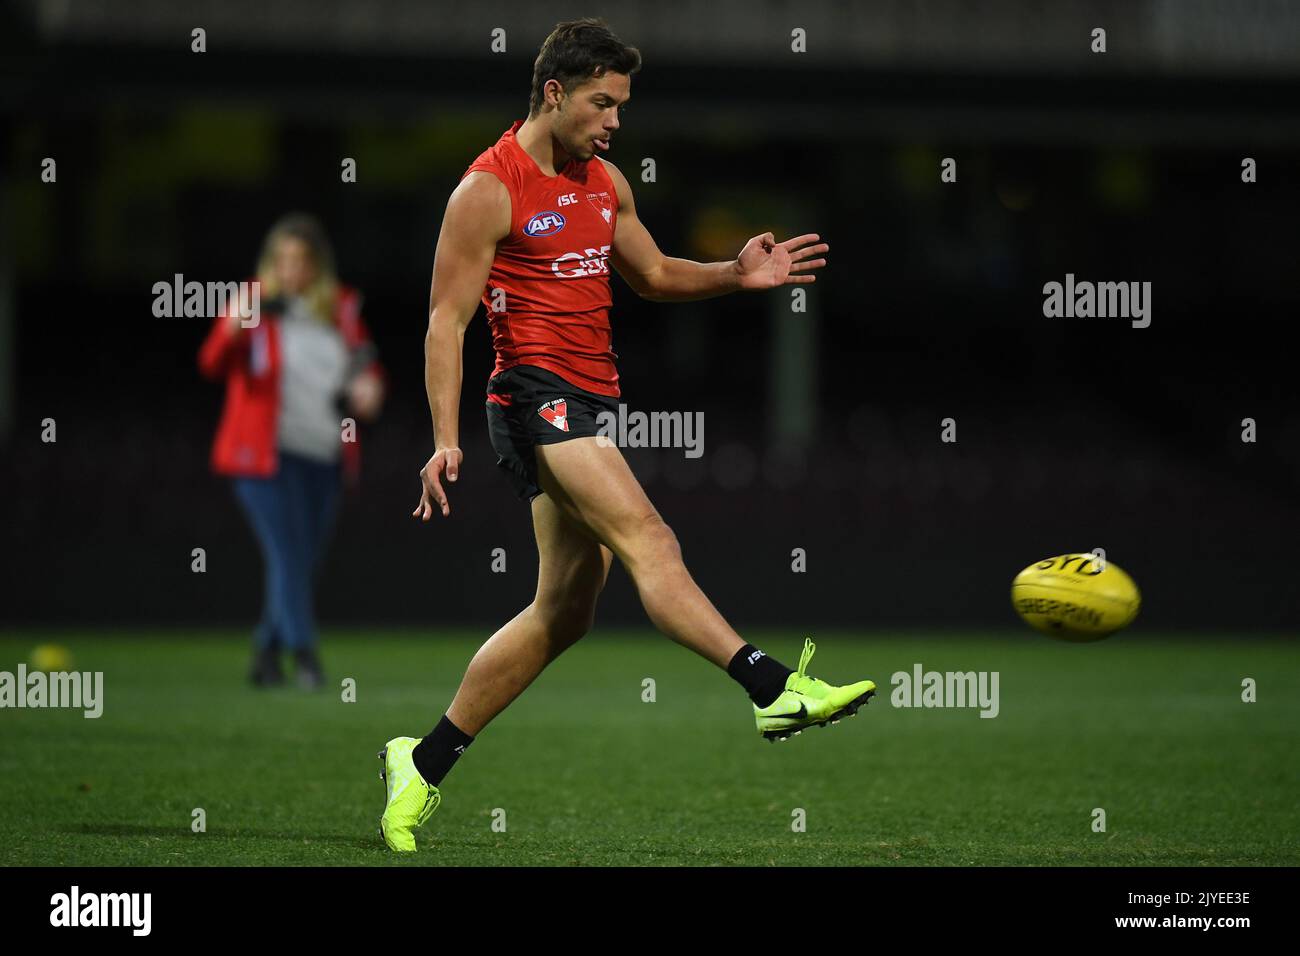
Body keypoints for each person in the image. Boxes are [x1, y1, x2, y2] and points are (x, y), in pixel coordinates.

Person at [377, 18, 874, 852]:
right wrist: (442, 435)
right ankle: (772, 687)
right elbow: (443, 322)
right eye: (603, 104)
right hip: (532, 397)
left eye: (622, 106)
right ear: (554, 92)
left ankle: (419, 762)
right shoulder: (488, 188)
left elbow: (651, 274)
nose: (615, 122)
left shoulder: (604, 181)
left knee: (564, 612)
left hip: (592, 400)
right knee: (650, 536)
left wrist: (733, 274)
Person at [199, 213, 385, 689]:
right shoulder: (253, 304)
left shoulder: (340, 309)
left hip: (324, 453)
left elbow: (366, 370)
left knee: (301, 560)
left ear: (317, 266)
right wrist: (232, 329)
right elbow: (213, 363)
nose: (291, 271)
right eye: (282, 261)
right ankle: (305, 656)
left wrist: (369, 389)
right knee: (286, 554)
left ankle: (265, 653)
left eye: (301, 262)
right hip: (262, 458)